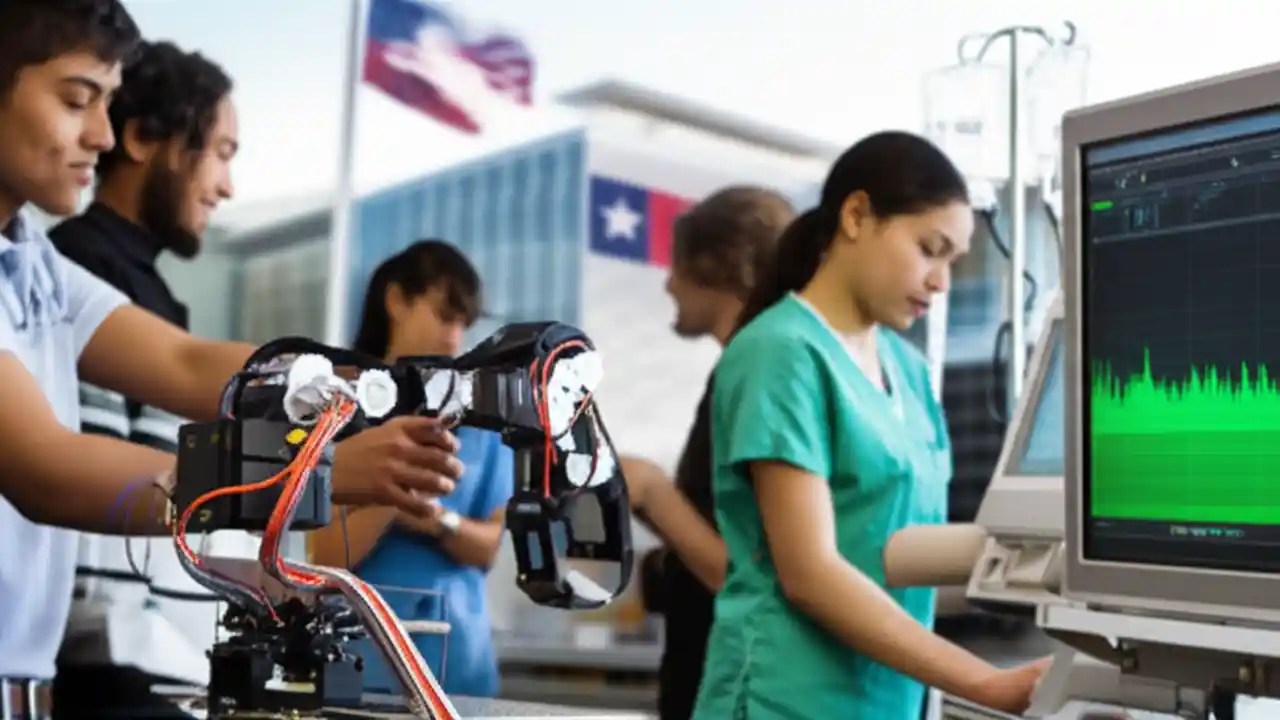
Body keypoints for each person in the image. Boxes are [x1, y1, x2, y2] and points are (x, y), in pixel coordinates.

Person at [0, 2, 461, 715]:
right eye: (75, 100)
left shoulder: (34, 260)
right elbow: (47, 469)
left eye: (107, 104)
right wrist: (315, 470)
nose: (100, 135)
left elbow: (186, 364)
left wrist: (397, 386)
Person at [690, 131, 1050, 720]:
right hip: (786, 700)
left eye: (953, 262)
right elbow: (811, 573)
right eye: (930, 249)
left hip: (883, 702)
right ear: (856, 216)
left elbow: (895, 557)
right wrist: (986, 683)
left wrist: (1063, 575)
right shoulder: (781, 353)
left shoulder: (906, 369)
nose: (942, 282)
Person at [45, 40, 263, 719]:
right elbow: (95, 571)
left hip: (157, 674)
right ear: (144, 138)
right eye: (221, 151)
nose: (226, 185)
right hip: (111, 679)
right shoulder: (81, 271)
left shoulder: (140, 290)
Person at [617, 186, 795, 720]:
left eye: (677, 265)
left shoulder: (755, 375)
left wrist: (650, 491)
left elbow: (749, 573)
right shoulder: (740, 375)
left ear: (721, 267)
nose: (669, 283)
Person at [310, 240, 514, 698]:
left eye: (464, 324)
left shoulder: (481, 419)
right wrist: (394, 497)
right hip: (359, 660)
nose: (454, 339)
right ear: (397, 301)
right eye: (444, 316)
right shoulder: (337, 408)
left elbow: (489, 547)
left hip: (460, 665)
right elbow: (322, 556)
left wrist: (436, 518)